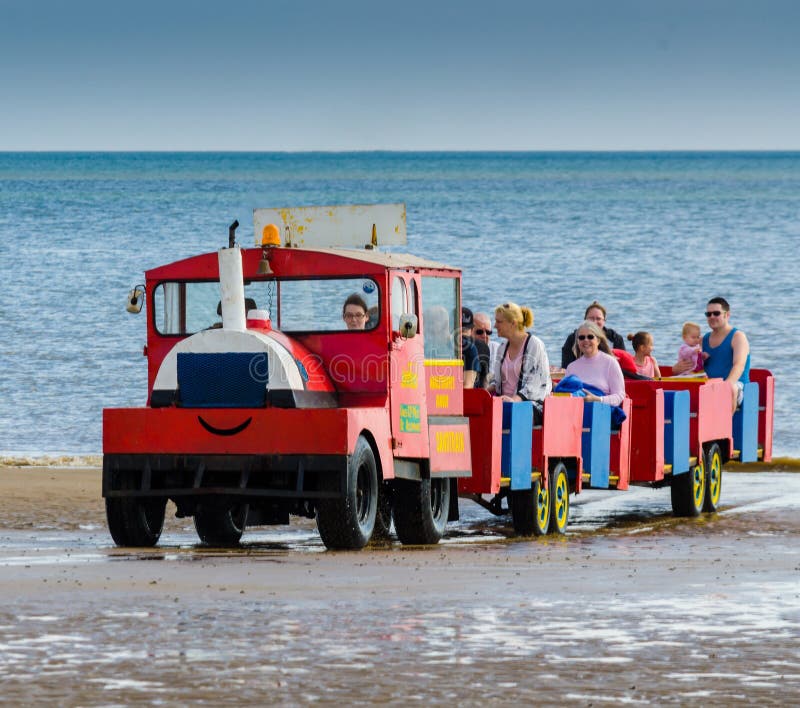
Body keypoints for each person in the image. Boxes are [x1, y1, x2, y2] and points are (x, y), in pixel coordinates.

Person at [674, 297, 750, 411]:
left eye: (716, 313)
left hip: (736, 386)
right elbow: (693, 364)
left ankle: (724, 427)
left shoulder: (738, 336)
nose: (712, 317)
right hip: (709, 386)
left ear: (727, 315)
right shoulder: (704, 339)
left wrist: (725, 386)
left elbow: (739, 366)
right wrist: (676, 368)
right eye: (708, 314)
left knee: (731, 389)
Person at [490, 302, 551, 422]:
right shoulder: (502, 347)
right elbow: (497, 381)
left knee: (515, 415)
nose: (495, 326)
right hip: (505, 404)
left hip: (532, 406)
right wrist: (484, 391)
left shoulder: (534, 344)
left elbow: (534, 384)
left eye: (499, 322)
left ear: (513, 323)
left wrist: (514, 400)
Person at [564, 321, 625, 406]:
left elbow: (620, 396)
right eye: (581, 337)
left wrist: (598, 400)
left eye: (590, 337)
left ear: (598, 340)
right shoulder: (571, 367)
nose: (586, 340)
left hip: (602, 413)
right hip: (575, 412)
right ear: (577, 342)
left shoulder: (610, 363)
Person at [561, 301, 626, 368]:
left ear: (604, 321)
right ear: (585, 320)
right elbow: (566, 366)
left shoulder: (615, 338)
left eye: (598, 319)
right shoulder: (573, 338)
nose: (594, 322)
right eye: (591, 318)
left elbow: (623, 366)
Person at [461, 307, 488, 389]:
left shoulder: (447, 344)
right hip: (474, 395)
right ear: (472, 329)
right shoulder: (483, 346)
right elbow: (484, 380)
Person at [473, 311, 501, 381]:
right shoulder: (464, 350)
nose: (484, 335)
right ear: (470, 331)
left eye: (488, 332)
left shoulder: (498, 349)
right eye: (479, 332)